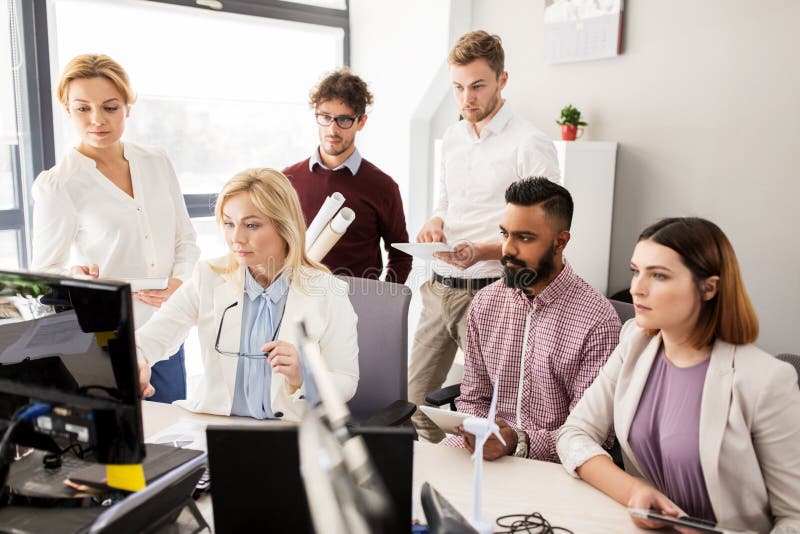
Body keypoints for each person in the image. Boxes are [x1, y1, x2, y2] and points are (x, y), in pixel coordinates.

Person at [557, 218, 800, 532]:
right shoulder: (635, 342)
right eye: (636, 271)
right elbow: (574, 433)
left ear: (708, 287)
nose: (636, 289)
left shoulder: (767, 380)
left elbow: (795, 517)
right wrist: (633, 491)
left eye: (658, 275)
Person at [409, 30, 561, 442]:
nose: (467, 98)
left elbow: (543, 235)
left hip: (493, 293)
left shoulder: (530, 144)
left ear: (502, 80)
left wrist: (481, 251)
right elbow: (447, 202)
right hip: (440, 290)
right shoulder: (454, 138)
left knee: (498, 414)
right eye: (458, 88)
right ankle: (434, 492)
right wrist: (436, 222)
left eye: (477, 86)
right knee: (414, 405)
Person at [31, 54, 199, 404]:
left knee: (175, 441)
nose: (97, 120)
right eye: (82, 108)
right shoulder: (59, 184)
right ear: (67, 110)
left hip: (166, 332)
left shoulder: (157, 162)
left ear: (128, 107)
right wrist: (75, 278)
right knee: (125, 452)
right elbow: (45, 274)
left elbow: (186, 239)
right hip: (109, 343)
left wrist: (179, 283)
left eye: (110, 107)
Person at [135, 169, 359, 421]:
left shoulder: (329, 292)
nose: (236, 239)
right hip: (215, 426)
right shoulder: (208, 276)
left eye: (252, 225)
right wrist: (139, 359)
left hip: (291, 430)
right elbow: (153, 336)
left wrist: (303, 374)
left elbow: (346, 381)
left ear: (284, 226)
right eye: (229, 224)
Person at [444, 177, 620, 460]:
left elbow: (590, 433)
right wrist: (477, 432)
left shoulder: (597, 321)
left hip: (556, 464)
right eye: (505, 234)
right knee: (414, 483)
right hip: (484, 451)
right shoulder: (486, 302)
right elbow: (473, 397)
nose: (508, 249)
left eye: (524, 238)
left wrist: (517, 442)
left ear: (560, 242)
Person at [283, 68, 411, 283]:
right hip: (298, 298)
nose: (332, 129)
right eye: (325, 117)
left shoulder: (383, 186)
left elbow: (401, 255)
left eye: (343, 120)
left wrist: (381, 301)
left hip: (358, 305)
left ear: (361, 122)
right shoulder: (287, 180)